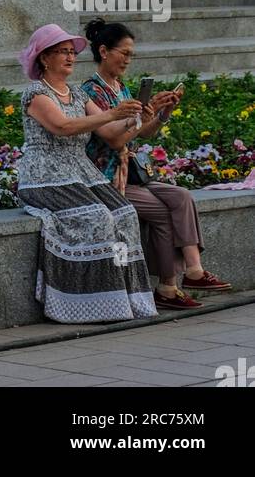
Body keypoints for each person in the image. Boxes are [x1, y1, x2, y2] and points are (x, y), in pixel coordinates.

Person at [82, 18, 231, 311]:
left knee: (182, 196)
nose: (128, 59)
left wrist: (162, 113)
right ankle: (167, 286)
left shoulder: (121, 88)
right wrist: (140, 118)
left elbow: (142, 134)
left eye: (131, 54)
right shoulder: (92, 91)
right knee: (162, 211)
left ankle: (194, 271)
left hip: (134, 173)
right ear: (104, 51)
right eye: (124, 53)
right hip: (108, 178)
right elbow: (114, 139)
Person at [17, 23, 157, 324]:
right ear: (44, 58)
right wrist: (113, 113)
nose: (70, 57)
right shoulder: (36, 93)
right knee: (98, 216)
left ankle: (127, 297)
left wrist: (137, 119)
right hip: (45, 176)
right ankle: (91, 303)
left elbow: (110, 132)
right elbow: (62, 126)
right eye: (62, 52)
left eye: (72, 52)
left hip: (80, 171)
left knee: (125, 214)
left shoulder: (78, 95)